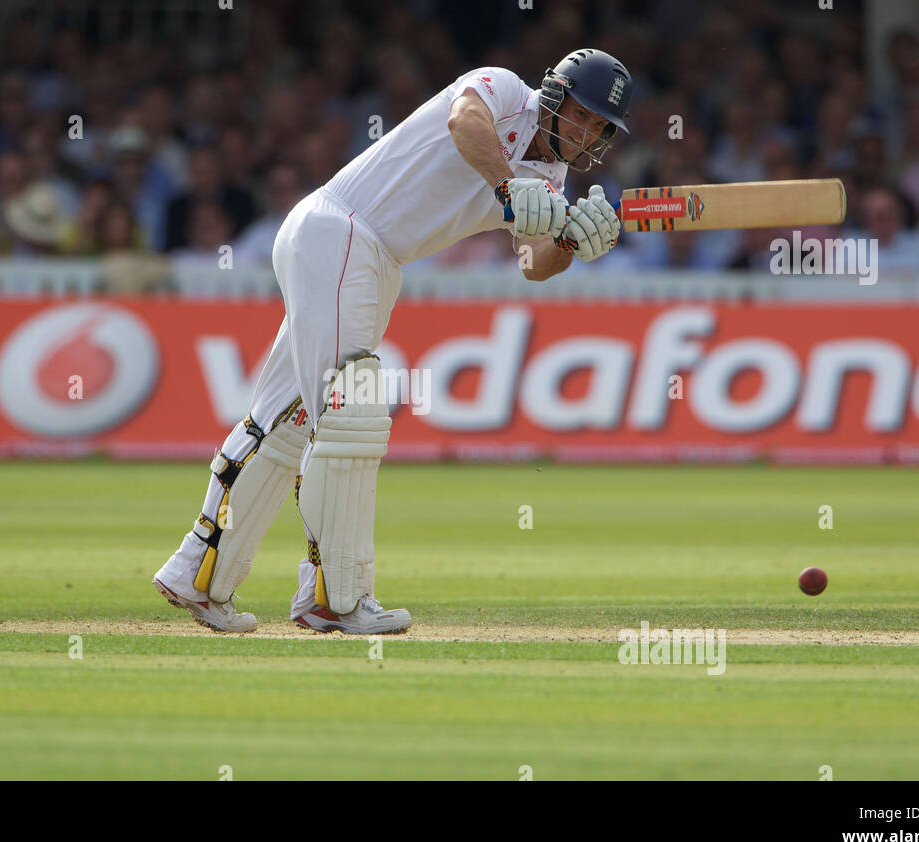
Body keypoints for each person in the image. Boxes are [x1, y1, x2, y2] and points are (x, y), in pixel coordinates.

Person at [153, 49, 630, 634]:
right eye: (582, 116)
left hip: (374, 259)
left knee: (286, 421)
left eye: (600, 129)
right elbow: (464, 121)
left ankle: (198, 573)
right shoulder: (504, 92)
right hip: (342, 229)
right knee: (348, 414)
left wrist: (573, 241)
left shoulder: (549, 182)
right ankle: (337, 598)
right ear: (555, 97)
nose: (587, 135)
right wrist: (509, 187)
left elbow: (533, 263)